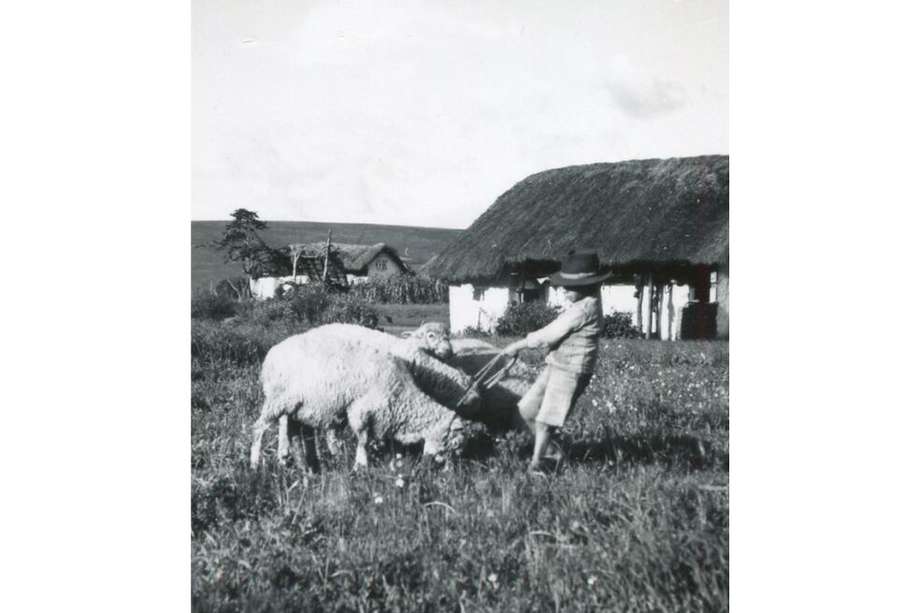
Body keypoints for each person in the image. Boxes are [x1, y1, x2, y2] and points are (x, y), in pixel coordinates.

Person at [501, 251, 611, 474]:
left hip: (572, 370)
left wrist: (517, 346)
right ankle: (552, 453)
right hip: (557, 364)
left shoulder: (584, 309)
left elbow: (549, 335)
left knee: (546, 420)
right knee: (526, 409)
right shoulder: (583, 304)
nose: (563, 290)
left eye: (568, 287)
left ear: (586, 286)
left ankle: (538, 463)